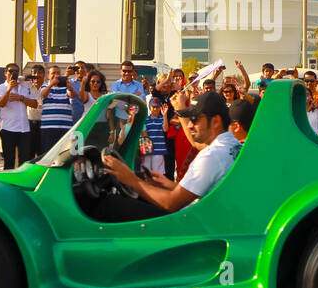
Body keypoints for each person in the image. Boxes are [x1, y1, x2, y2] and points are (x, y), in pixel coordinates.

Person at [102, 90, 240, 214]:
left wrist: (132, 180)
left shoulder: (211, 156)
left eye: (195, 119)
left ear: (215, 121)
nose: (190, 125)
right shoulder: (232, 145)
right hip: (221, 216)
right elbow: (201, 193)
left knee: (113, 206)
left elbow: (171, 204)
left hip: (206, 226)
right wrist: (168, 184)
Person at [0, 64, 38, 169]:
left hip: (24, 129)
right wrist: (9, 89)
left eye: (16, 71)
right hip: (8, 128)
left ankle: (22, 183)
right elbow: (0, 104)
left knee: (24, 160)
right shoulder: (1, 88)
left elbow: (35, 104)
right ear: (5, 73)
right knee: (9, 160)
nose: (14, 74)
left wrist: (21, 98)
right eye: (11, 71)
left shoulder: (24, 87)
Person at [38, 68, 77, 153]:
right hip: (49, 127)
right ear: (48, 76)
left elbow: (73, 95)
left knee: (64, 153)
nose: (56, 75)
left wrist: (70, 88)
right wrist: (51, 85)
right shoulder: (45, 86)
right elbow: (43, 94)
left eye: (58, 73)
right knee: (48, 153)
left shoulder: (65, 87)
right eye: (53, 73)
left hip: (65, 127)